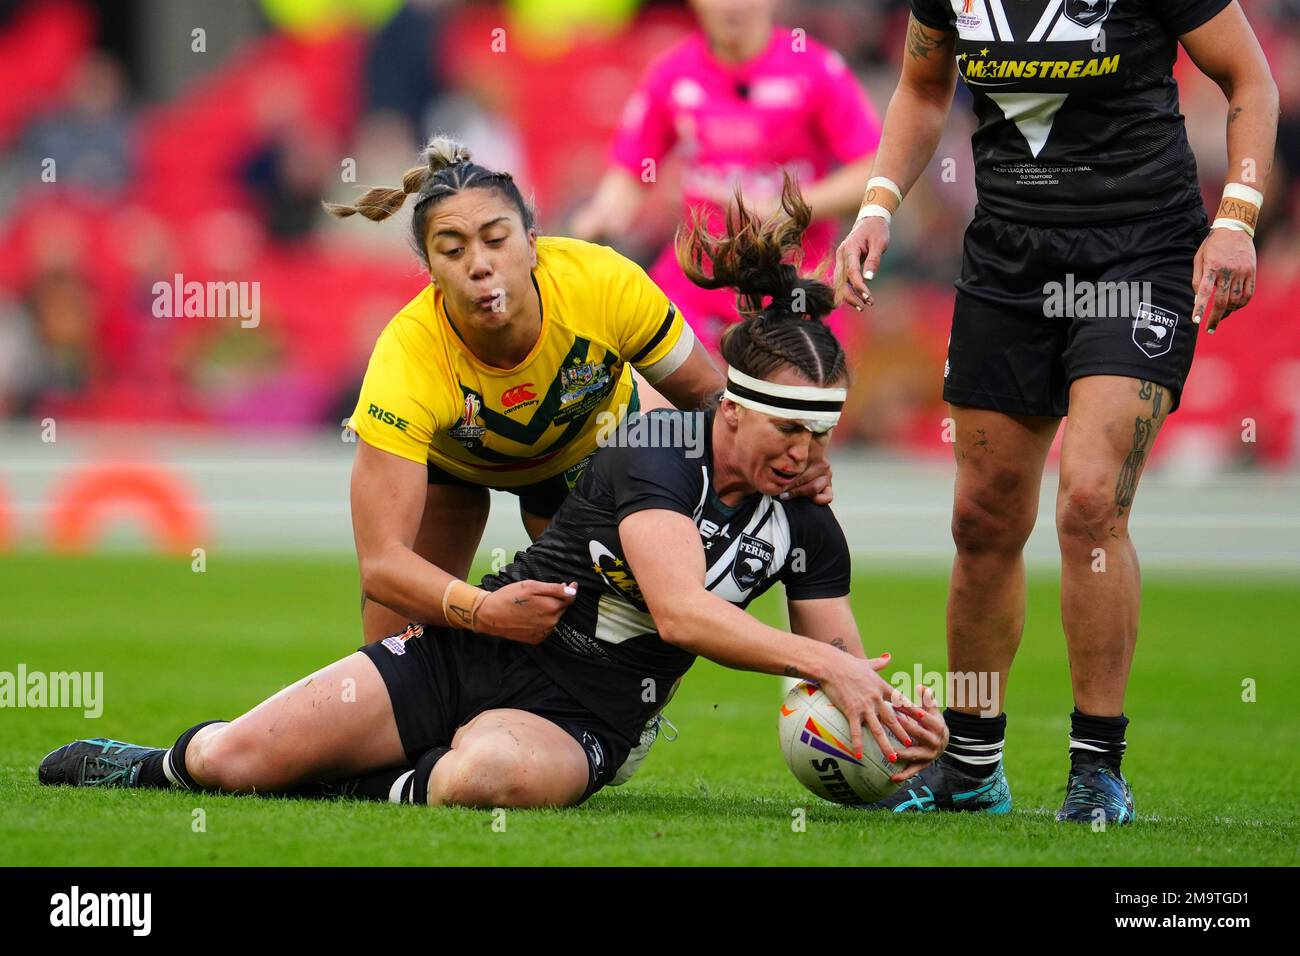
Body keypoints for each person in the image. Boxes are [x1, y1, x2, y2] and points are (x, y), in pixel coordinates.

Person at [37, 180, 947, 809]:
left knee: (485, 781)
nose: (804, 453)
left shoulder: (809, 527)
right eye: (789, 429)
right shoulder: (655, 446)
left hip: (591, 714)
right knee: (233, 759)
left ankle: (402, 773)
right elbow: (679, 614)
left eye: (820, 436)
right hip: (468, 645)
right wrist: (829, 668)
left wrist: (893, 728)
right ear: (736, 411)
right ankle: (154, 767)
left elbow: (840, 659)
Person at [834, 1, 1279, 823]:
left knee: (1089, 499)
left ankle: (1096, 767)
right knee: (982, 516)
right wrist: (876, 207)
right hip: (1009, 256)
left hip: (1139, 251)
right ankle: (970, 764)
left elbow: (1250, 76)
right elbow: (923, 88)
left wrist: (1238, 219)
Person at [570, 0, 880, 356]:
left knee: (782, 408)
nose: (730, 6)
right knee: (655, 396)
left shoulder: (817, 69)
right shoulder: (672, 73)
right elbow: (631, 172)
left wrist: (787, 208)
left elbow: (871, 173)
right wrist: (599, 219)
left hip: (794, 289)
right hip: (697, 287)